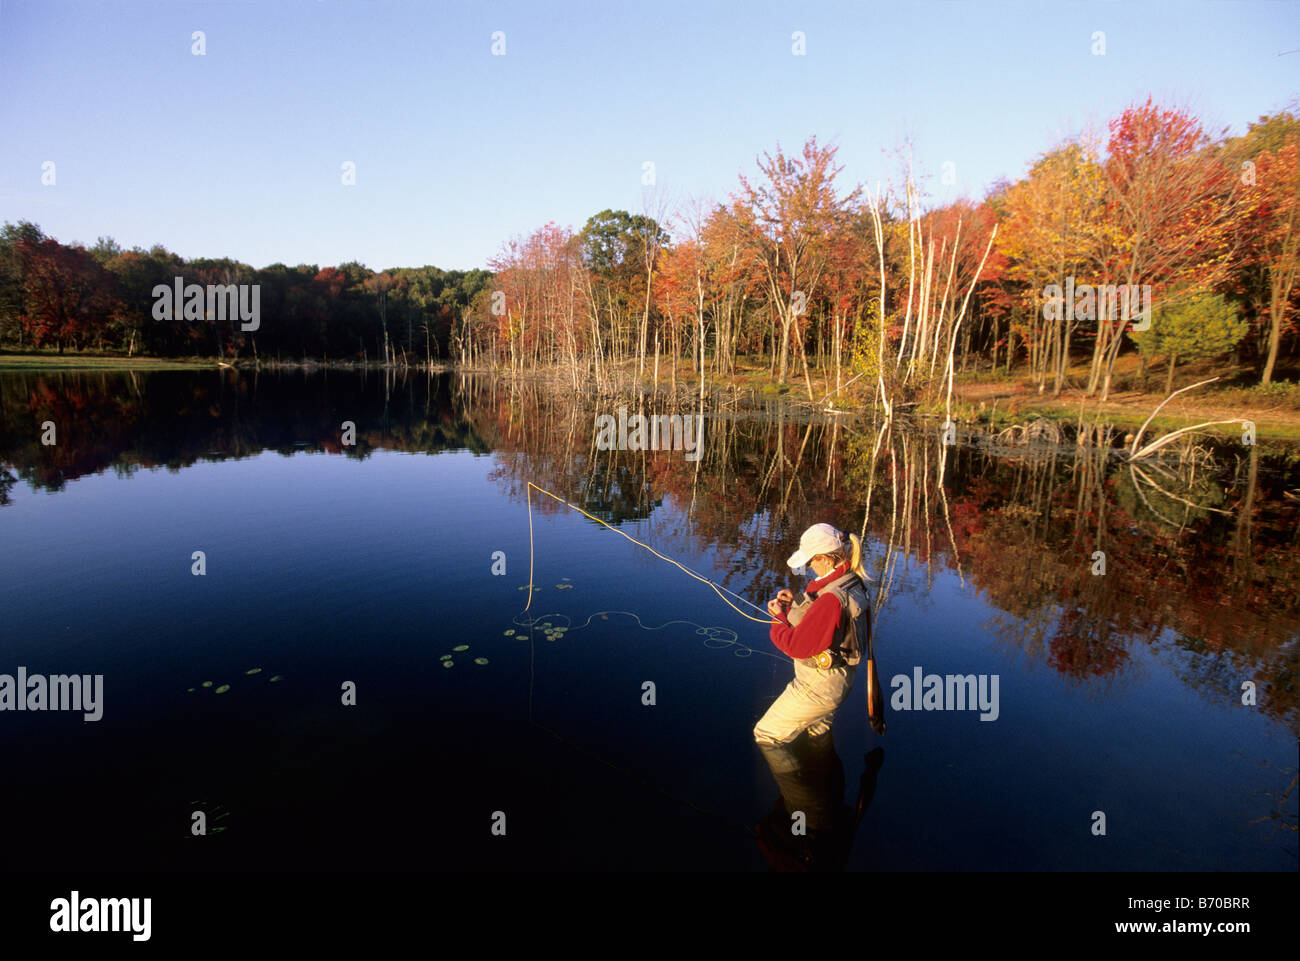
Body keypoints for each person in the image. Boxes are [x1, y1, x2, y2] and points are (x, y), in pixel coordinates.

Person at [753, 523, 872, 752]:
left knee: (766, 735)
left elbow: (796, 646)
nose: (808, 566)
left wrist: (778, 618)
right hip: (841, 678)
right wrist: (795, 602)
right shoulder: (851, 580)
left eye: (810, 561)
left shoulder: (831, 599)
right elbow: (827, 613)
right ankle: (822, 777)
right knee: (817, 731)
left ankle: (797, 788)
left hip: (818, 685)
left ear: (826, 559)